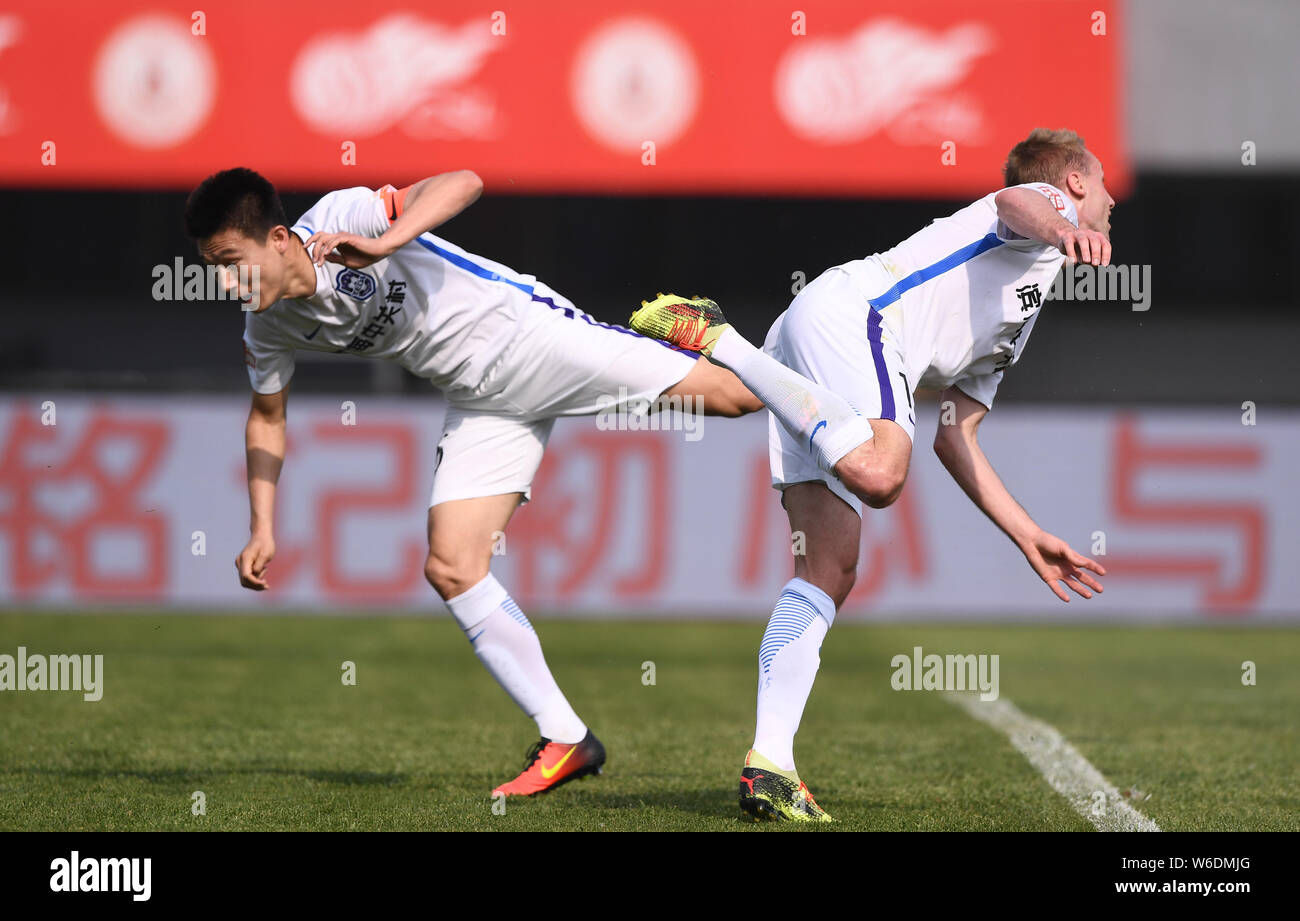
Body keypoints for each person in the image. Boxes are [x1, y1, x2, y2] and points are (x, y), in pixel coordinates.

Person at [183, 167, 761, 797]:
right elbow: (267, 418)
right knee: (452, 564)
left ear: (278, 237)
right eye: (213, 268)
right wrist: (262, 525)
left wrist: (386, 239)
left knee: (737, 396)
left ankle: (845, 393)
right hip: (483, 399)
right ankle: (567, 737)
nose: (225, 281)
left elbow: (464, 182)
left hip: (532, 339)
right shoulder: (268, 326)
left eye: (232, 261)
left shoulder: (343, 215)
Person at [629, 128, 1112, 822]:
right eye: (1100, 184)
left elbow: (956, 432)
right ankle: (724, 340)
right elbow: (1015, 202)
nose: (1112, 199)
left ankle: (769, 764)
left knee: (828, 568)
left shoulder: (1030, 295)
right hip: (859, 316)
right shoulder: (1035, 216)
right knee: (882, 474)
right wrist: (1065, 230)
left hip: (820, 330)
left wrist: (1027, 533)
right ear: (1072, 183)